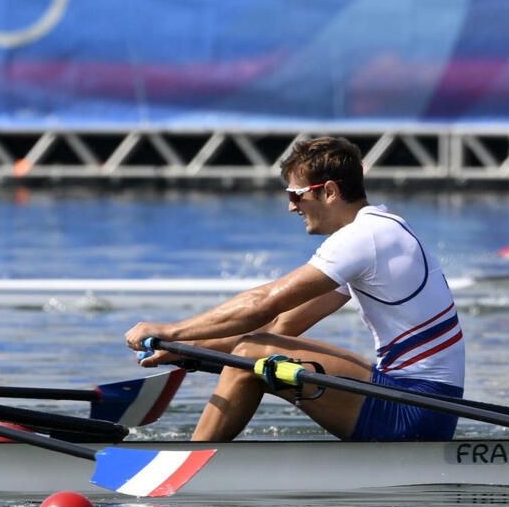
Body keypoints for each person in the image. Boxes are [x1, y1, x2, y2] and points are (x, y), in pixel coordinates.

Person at [124, 136, 464, 442]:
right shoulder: (381, 232)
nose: (291, 206)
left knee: (251, 353)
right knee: (255, 350)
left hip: (413, 409)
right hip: (422, 405)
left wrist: (170, 329)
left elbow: (263, 304)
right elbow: (281, 326)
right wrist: (189, 347)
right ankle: (199, 458)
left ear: (329, 191)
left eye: (295, 194)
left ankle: (187, 466)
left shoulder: (364, 237)